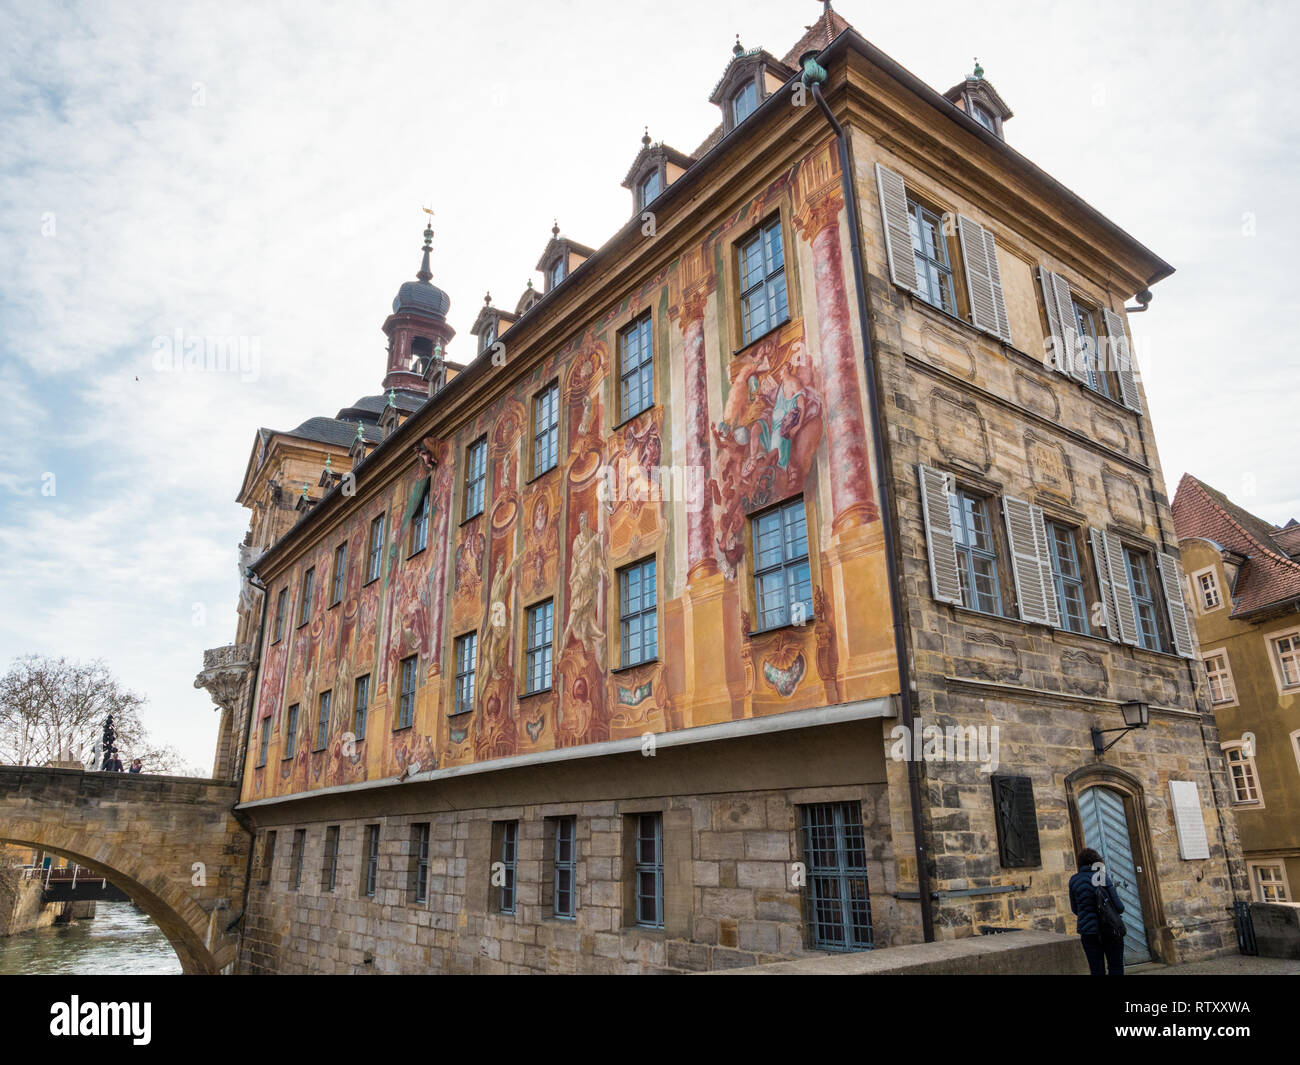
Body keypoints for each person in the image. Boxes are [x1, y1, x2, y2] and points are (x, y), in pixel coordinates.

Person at [1068, 846, 1126, 975]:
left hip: (1088, 932)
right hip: (1110, 930)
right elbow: (1119, 907)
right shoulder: (1102, 877)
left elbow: (1075, 909)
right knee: (1115, 967)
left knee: (1096, 970)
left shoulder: (1074, 880)